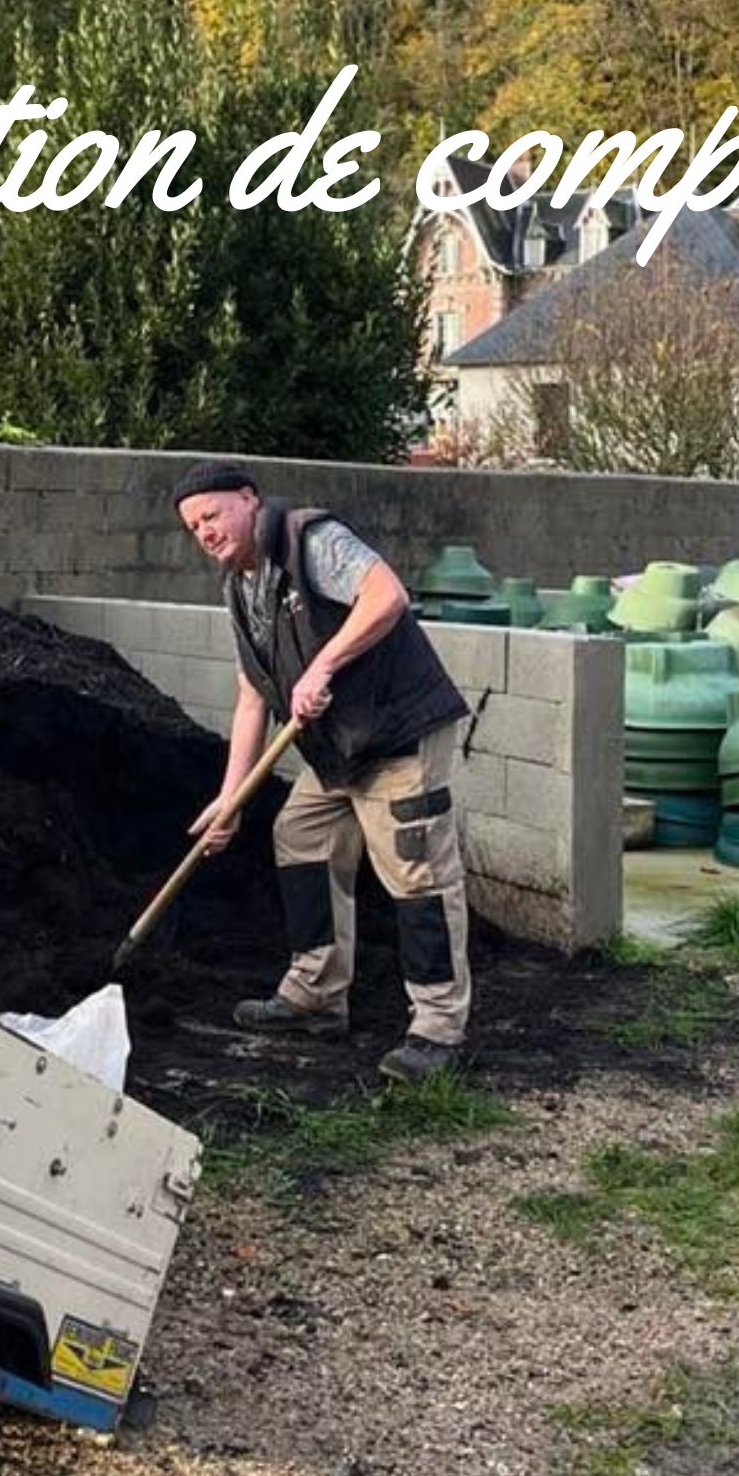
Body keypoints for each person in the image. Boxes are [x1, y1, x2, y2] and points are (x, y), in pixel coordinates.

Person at [171, 459, 473, 1083]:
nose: (204, 531)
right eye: (193, 525)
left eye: (212, 513)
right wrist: (230, 800)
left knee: (416, 873)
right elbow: (253, 697)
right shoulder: (239, 587)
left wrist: (323, 665)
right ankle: (315, 994)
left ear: (249, 500)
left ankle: (438, 1029)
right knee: (300, 836)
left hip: (395, 733)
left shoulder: (310, 540)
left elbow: (387, 595)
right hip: (339, 749)